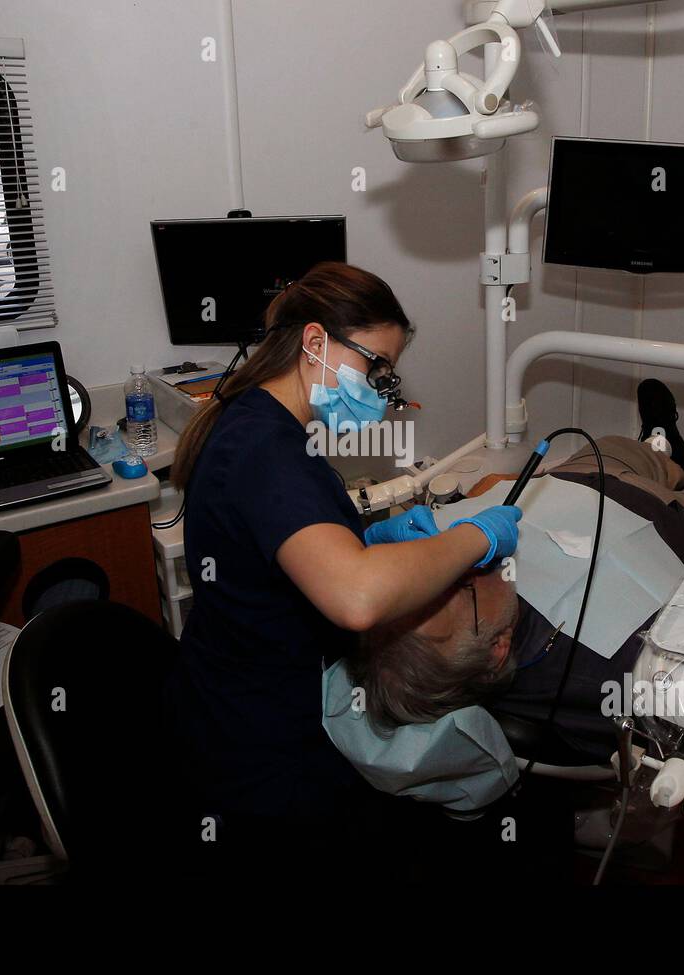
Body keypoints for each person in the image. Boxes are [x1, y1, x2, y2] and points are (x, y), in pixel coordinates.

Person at [163, 261, 522, 863]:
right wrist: (474, 540)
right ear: (313, 342)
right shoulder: (266, 452)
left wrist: (372, 538)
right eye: (374, 364)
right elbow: (356, 600)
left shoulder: (260, 422)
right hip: (257, 742)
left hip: (237, 694)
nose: (382, 386)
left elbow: (289, 545)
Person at [351, 388, 684, 758]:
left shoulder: (481, 611)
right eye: (462, 585)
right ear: (497, 649)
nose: (459, 560)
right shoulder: (618, 671)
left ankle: (666, 451)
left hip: (584, 478)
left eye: (431, 566)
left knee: (625, 449)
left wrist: (483, 496)